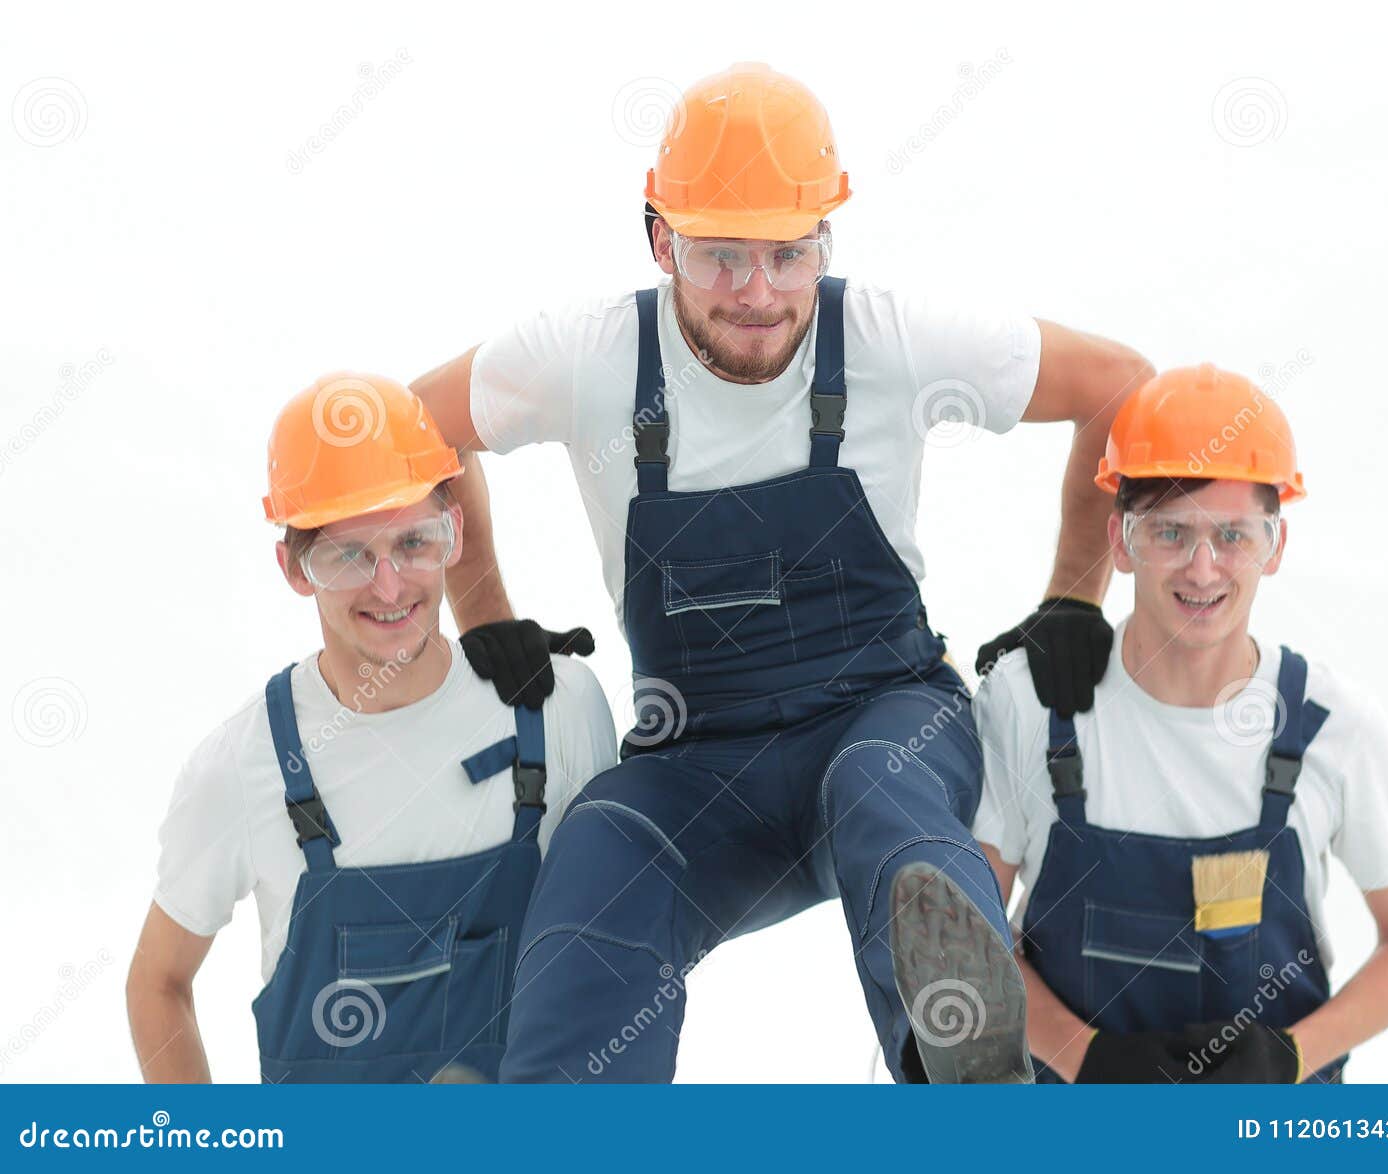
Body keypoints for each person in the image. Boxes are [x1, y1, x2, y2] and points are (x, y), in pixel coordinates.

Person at [413, 63, 1154, 1083]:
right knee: (599, 850)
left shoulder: (893, 339)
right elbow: (408, 436)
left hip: (890, 715)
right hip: (696, 759)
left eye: (787, 254)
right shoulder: (584, 357)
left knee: (879, 796)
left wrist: (1072, 602)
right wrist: (484, 611)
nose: (758, 293)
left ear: (825, 240)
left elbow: (1119, 387)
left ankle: (973, 1083)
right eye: (720, 257)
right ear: (660, 238)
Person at [125, 373, 615, 1083]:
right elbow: (157, 983)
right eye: (348, 555)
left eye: (414, 541)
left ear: (453, 536)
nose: (389, 587)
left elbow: (614, 947)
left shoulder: (557, 710)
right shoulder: (246, 763)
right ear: (295, 568)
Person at [972, 363, 1388, 1082]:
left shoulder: (1330, 726)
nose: (1202, 569)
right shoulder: (1031, 704)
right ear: (1122, 540)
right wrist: (1087, 1058)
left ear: (1276, 545)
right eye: (1169, 532)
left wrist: (1292, 1056)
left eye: (1233, 534)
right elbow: (966, 941)